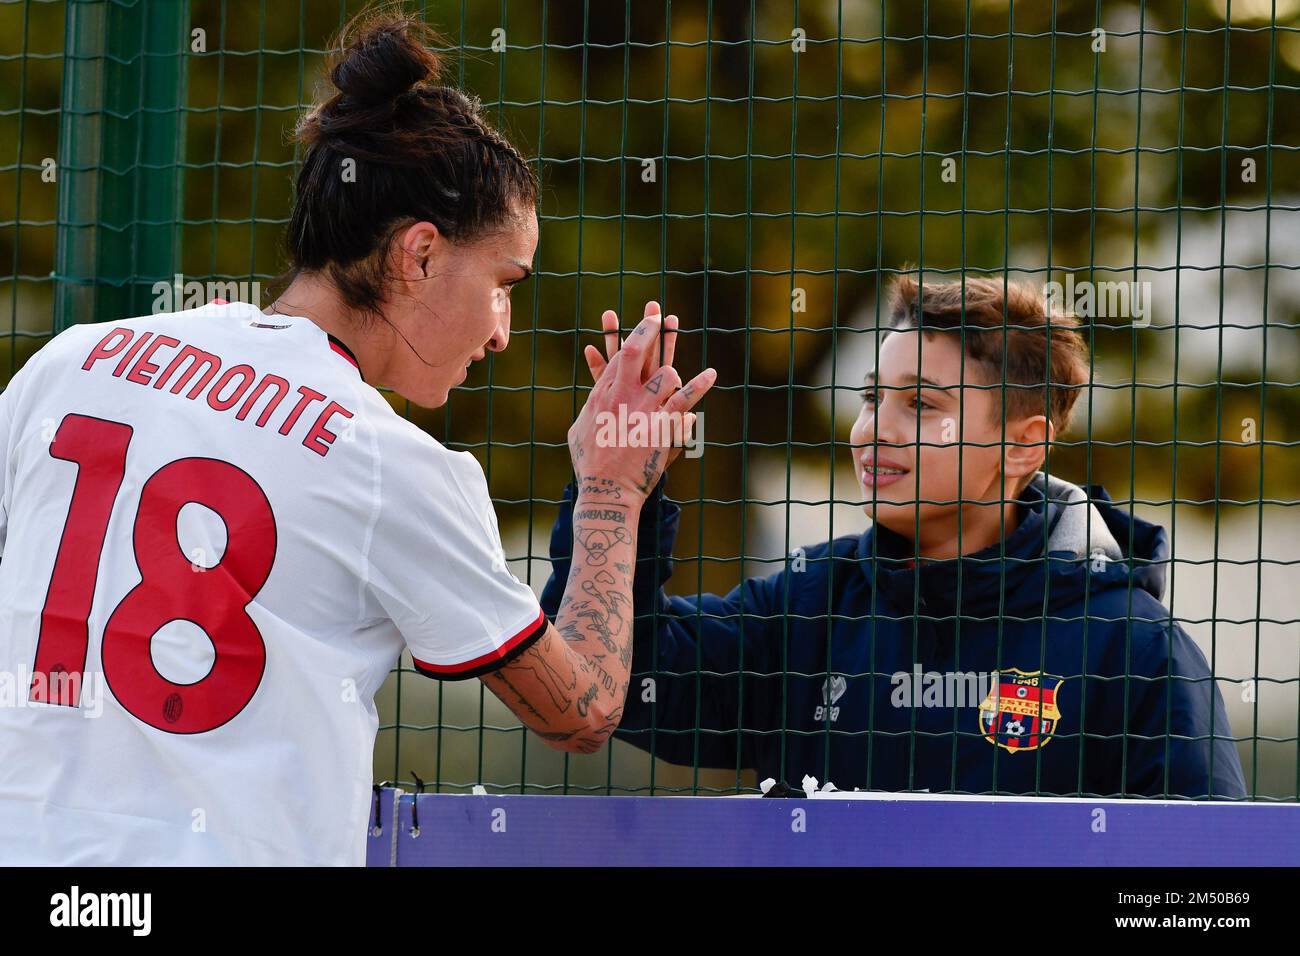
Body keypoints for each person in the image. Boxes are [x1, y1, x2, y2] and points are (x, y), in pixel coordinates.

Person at [0, 11, 713, 864]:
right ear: (417, 254)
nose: (502, 333)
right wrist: (609, 489)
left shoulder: (78, 360)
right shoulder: (391, 464)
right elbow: (584, 709)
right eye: (503, 283)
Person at [542, 274, 1247, 799]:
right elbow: (613, 681)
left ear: (1024, 447)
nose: (876, 426)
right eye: (873, 397)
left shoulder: (1133, 648)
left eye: (921, 405)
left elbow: (1200, 891)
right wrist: (614, 491)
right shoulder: (806, 610)